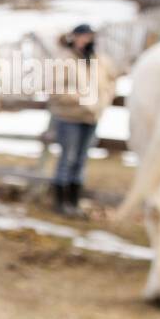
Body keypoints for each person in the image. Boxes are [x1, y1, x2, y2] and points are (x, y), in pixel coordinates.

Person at [46, 23, 117, 217]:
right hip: (69, 117)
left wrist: (103, 101)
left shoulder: (98, 60)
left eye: (89, 36)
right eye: (83, 36)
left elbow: (110, 82)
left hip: (91, 117)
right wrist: (83, 100)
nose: (86, 40)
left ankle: (74, 201)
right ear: (74, 37)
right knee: (67, 158)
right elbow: (56, 89)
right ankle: (60, 202)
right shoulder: (64, 59)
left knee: (81, 159)